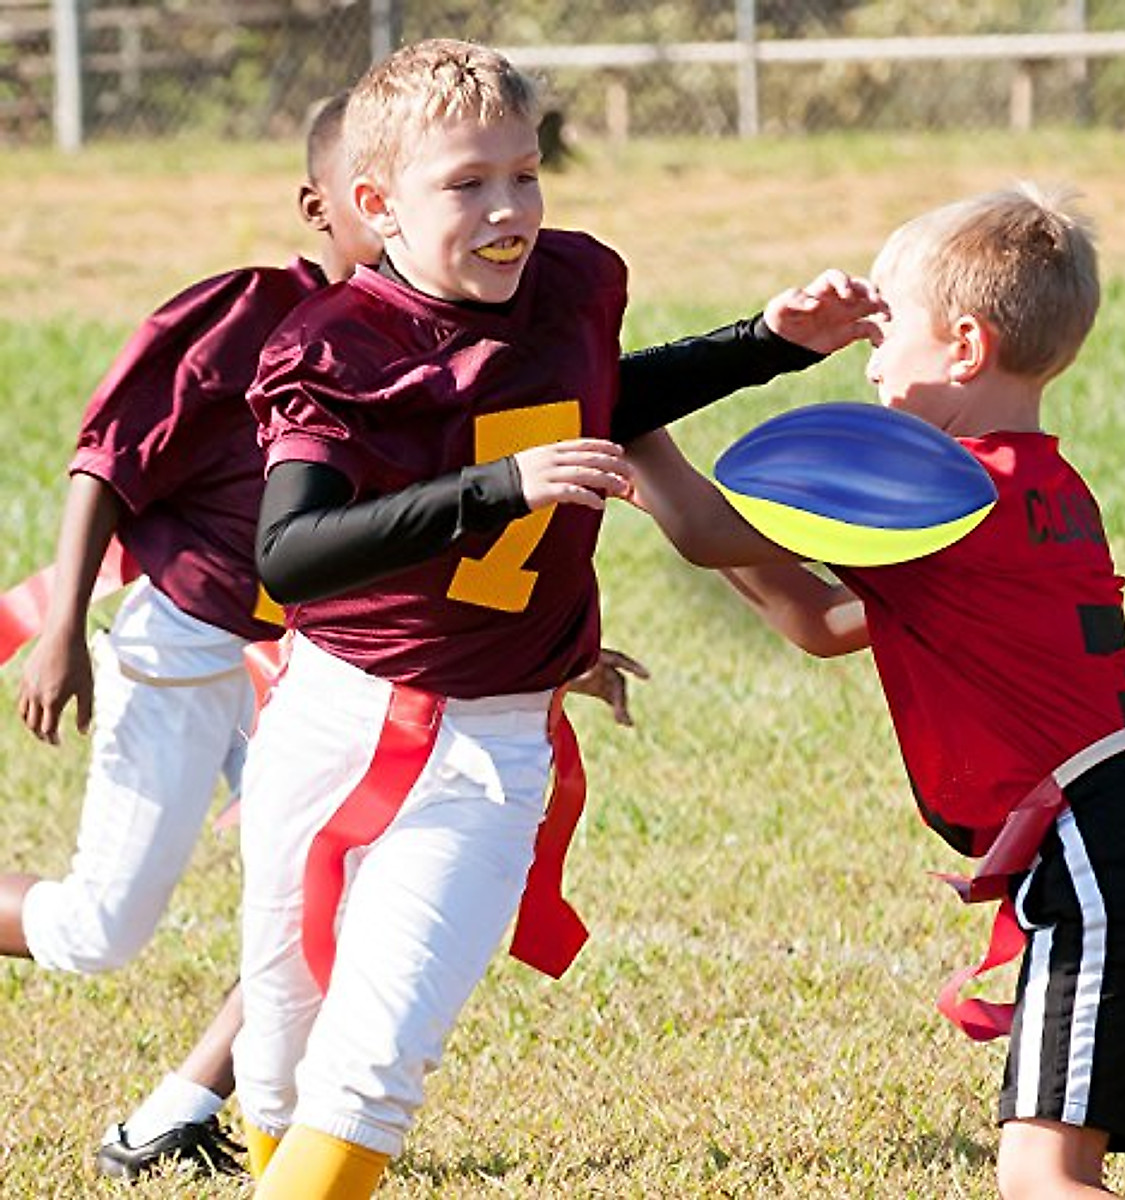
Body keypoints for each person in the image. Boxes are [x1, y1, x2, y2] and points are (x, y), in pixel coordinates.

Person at [234, 37, 882, 1198]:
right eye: (467, 183)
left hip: (492, 738)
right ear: (374, 205)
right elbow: (291, 554)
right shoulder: (333, 346)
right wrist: (500, 491)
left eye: (525, 173)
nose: (509, 208)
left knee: (376, 1054)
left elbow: (600, 393)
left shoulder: (574, 282)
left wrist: (766, 345)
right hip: (329, 715)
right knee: (280, 1042)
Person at [627, 184, 1125, 1198]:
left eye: (886, 328)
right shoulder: (1044, 484)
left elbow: (712, 535)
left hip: (1099, 843)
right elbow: (820, 621)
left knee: (1043, 1178)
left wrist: (639, 432)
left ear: (966, 349)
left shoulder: (948, 490)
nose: (870, 354)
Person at [0, 89, 383, 1180]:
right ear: (323, 206)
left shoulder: (431, 338)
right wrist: (62, 625)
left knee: (345, 883)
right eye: (377, 190)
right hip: (184, 639)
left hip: (304, 659)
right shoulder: (248, 312)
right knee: (98, 933)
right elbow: (107, 457)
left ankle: (177, 1107)